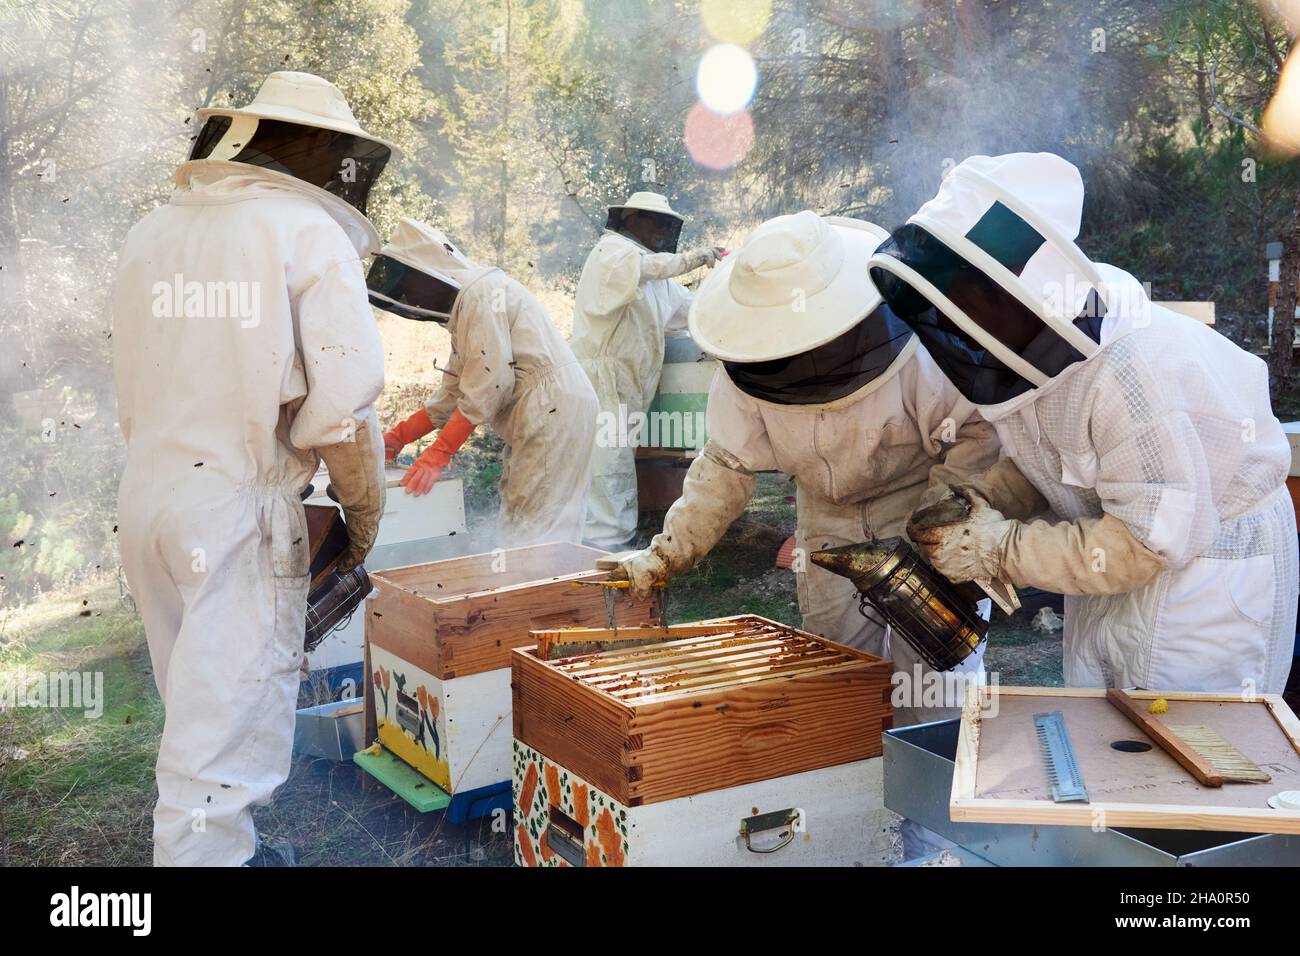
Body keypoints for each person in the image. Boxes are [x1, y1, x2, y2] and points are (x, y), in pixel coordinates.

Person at [869, 151, 1298, 695]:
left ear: (1019, 287)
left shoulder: (1134, 374)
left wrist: (999, 548)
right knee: (1099, 720)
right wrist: (983, 497)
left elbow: (1146, 544)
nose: (962, 314)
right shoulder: (1033, 354)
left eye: (972, 294)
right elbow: (1053, 457)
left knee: (1182, 748)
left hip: (1203, 576)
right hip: (1109, 554)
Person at [112, 72, 391, 865]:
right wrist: (363, 511)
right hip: (237, 512)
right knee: (214, 771)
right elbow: (342, 410)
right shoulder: (304, 233)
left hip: (151, 503)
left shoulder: (151, 232)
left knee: (198, 714)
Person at [613, 211, 1001, 725]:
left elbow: (979, 435)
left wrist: (945, 513)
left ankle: (937, 787)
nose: (804, 355)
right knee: (839, 672)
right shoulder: (746, 370)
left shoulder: (920, 354)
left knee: (937, 677)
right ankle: (857, 791)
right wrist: (667, 553)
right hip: (826, 518)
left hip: (921, 507)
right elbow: (725, 465)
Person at [374, 218, 599, 545]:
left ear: (425, 274)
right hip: (552, 410)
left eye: (407, 285)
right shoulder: (469, 303)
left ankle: (538, 594)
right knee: (531, 518)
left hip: (553, 411)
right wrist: (399, 436)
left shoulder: (480, 294)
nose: (407, 295)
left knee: (536, 531)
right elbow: (454, 389)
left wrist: (440, 452)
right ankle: (537, 591)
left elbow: (491, 383)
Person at [570, 191, 723, 548]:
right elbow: (651, 266)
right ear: (631, 220)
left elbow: (692, 310)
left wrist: (733, 298)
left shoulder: (656, 279)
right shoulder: (611, 253)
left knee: (617, 460)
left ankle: (608, 540)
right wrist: (698, 257)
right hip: (601, 377)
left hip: (632, 381)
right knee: (609, 464)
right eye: (653, 220)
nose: (659, 229)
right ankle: (606, 546)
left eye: (664, 223)